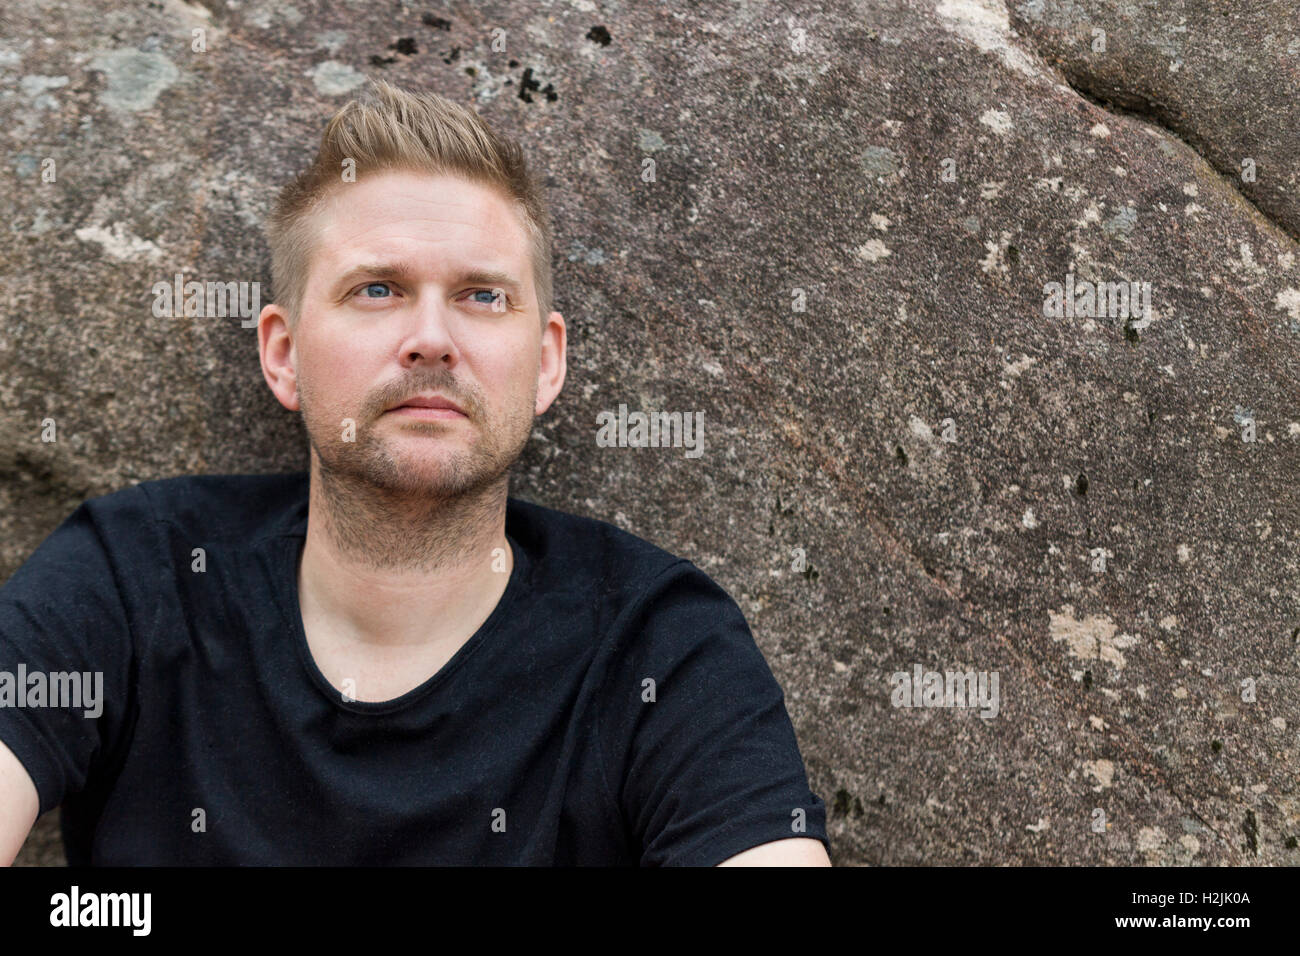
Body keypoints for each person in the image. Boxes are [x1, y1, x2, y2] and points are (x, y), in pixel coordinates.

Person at [0, 80, 831, 866]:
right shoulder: (135, 575)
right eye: (377, 289)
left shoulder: (657, 646)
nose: (431, 338)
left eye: (481, 296)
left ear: (546, 364)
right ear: (283, 356)